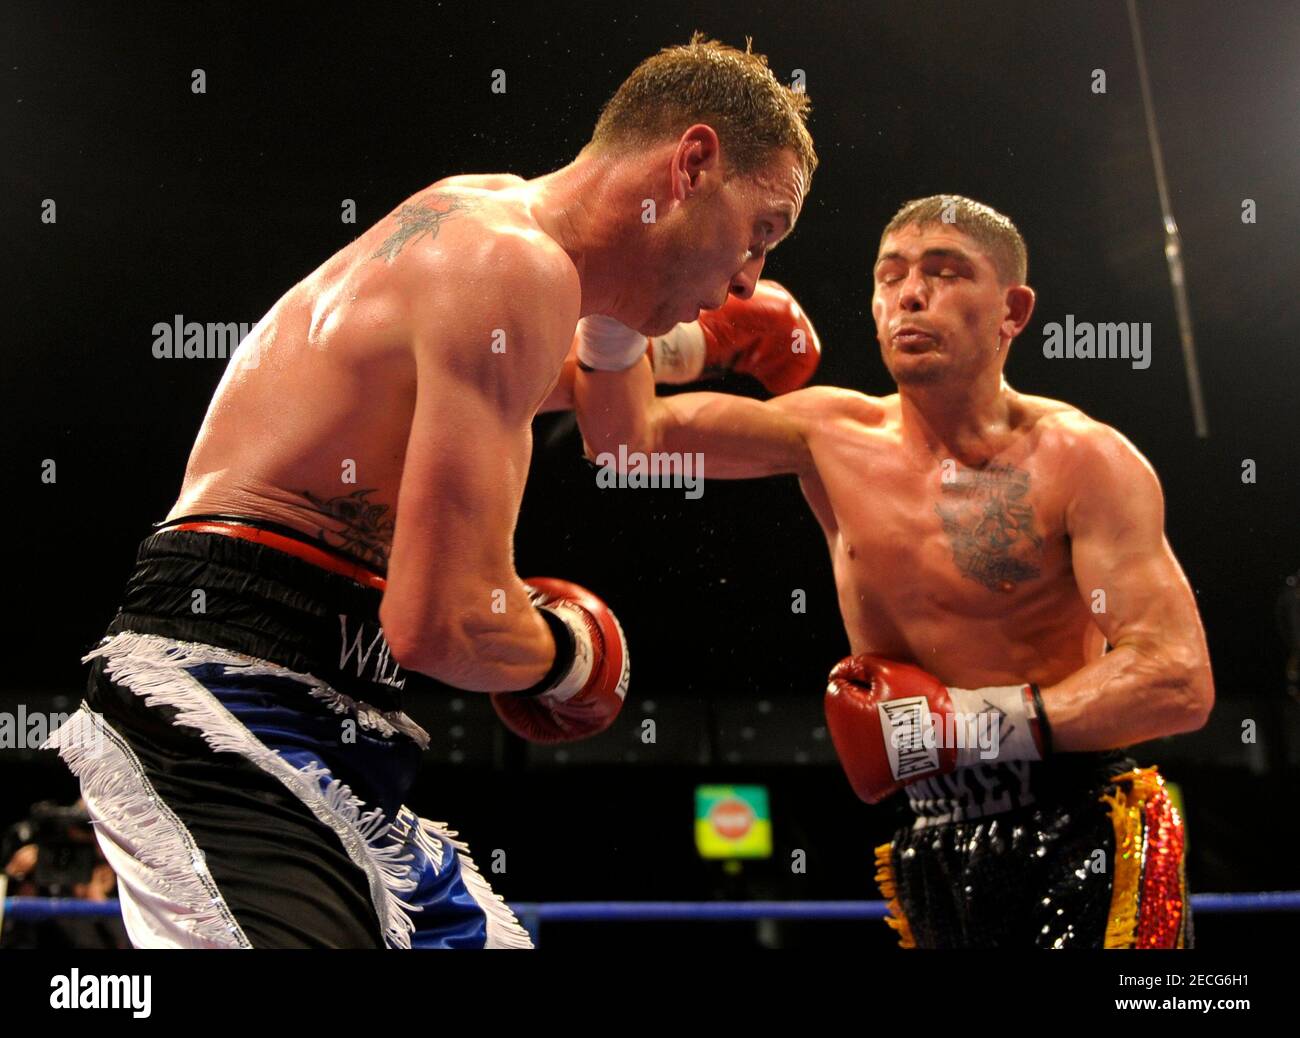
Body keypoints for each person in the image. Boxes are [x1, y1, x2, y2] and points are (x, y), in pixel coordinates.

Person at [46, 33, 817, 949]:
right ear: (691, 163)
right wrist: (577, 655)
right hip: (221, 696)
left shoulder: (496, 228)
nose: (746, 280)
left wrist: (674, 345)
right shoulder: (511, 269)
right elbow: (446, 620)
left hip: (332, 711)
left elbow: (614, 435)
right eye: (760, 234)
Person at [573, 195, 1213, 948]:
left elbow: (1177, 678)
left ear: (1012, 310)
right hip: (927, 837)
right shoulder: (827, 435)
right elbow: (623, 444)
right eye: (892, 275)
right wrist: (624, 323)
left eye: (944, 273)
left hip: (1081, 825)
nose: (910, 293)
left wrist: (968, 727)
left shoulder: (1084, 460)